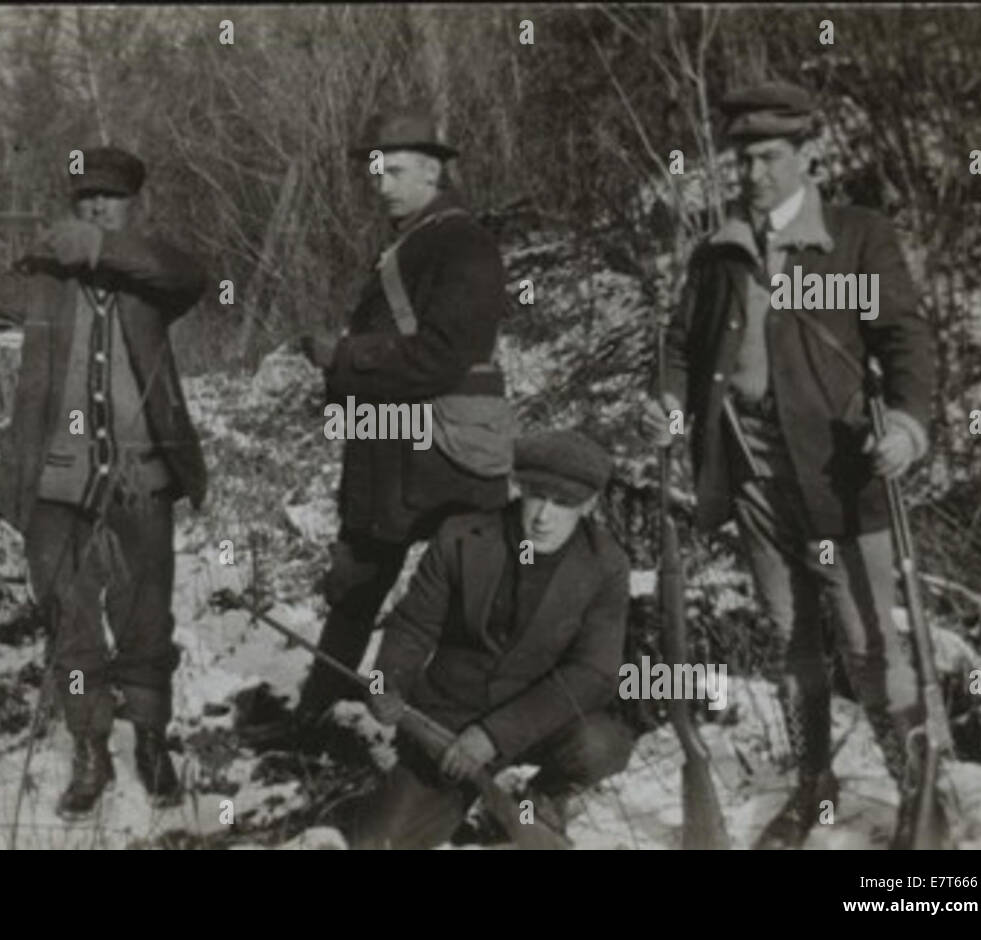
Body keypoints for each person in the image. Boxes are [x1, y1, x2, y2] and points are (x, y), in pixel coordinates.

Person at [642, 82, 941, 849]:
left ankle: (922, 795)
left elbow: (905, 339)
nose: (752, 173)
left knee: (873, 642)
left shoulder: (854, 236)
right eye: (742, 159)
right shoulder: (719, 250)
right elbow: (681, 345)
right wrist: (670, 404)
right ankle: (815, 786)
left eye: (769, 157)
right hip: (753, 475)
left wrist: (906, 423)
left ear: (809, 155)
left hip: (841, 474)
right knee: (792, 640)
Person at [0, 146, 208, 818]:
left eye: (110, 200)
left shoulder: (155, 279)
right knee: (71, 629)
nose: (96, 208)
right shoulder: (41, 283)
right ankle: (90, 749)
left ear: (132, 206)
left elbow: (189, 274)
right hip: (55, 495)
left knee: (147, 626)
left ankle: (152, 742)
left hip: (142, 485)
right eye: (85, 201)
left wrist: (99, 247)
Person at [288, 107, 514, 733]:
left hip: (444, 450)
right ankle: (318, 711)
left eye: (394, 171)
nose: (380, 182)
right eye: (377, 171)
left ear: (434, 173)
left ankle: (476, 723)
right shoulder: (411, 242)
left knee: (471, 596)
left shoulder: (461, 241)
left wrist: (346, 356)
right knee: (357, 578)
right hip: (392, 447)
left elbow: (446, 353)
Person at [346, 430, 634, 849]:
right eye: (536, 495)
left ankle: (543, 800)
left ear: (589, 504)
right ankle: (458, 800)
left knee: (602, 745)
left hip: (541, 721)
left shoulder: (606, 564)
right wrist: (387, 682)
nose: (543, 517)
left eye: (563, 503)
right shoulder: (461, 536)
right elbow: (413, 625)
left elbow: (593, 672)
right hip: (449, 720)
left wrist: (495, 736)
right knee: (380, 842)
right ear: (519, 487)